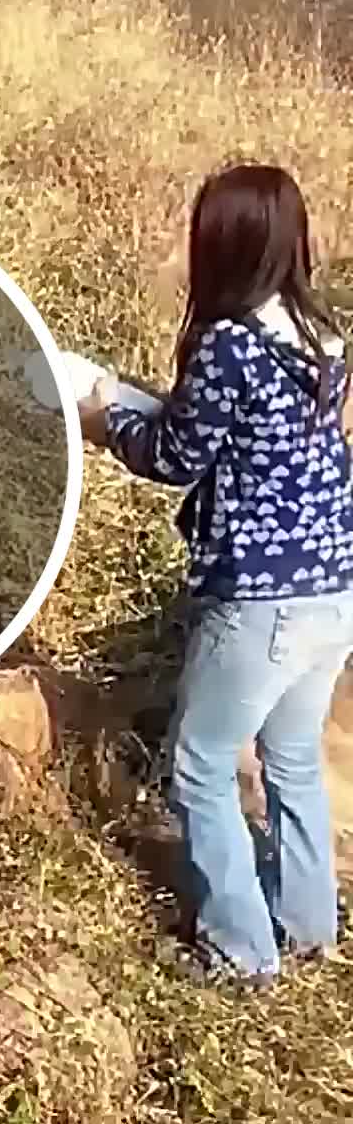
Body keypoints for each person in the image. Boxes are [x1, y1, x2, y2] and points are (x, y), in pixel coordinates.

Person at [77, 162, 353, 990]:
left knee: (198, 763)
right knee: (293, 754)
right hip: (334, 588)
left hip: (260, 603)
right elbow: (240, 439)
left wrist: (100, 414)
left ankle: (239, 953)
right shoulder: (323, 337)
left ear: (223, 245)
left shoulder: (231, 346)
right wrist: (148, 401)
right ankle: (307, 925)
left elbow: (175, 455)